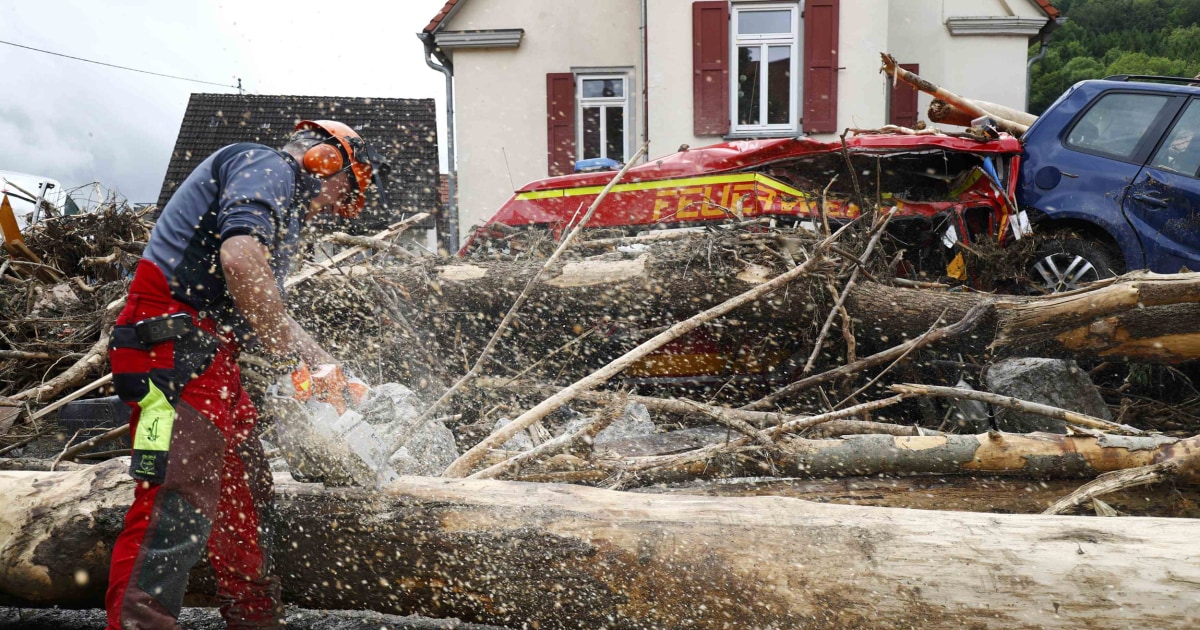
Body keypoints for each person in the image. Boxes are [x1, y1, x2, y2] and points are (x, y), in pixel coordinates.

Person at [104, 120, 388, 629]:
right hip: (165, 348)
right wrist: (285, 354)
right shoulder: (265, 165)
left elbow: (267, 307)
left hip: (207, 353)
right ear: (325, 160)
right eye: (345, 185)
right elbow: (239, 261)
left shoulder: (279, 208)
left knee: (245, 492)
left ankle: (254, 617)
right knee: (174, 495)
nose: (336, 202)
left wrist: (324, 367)